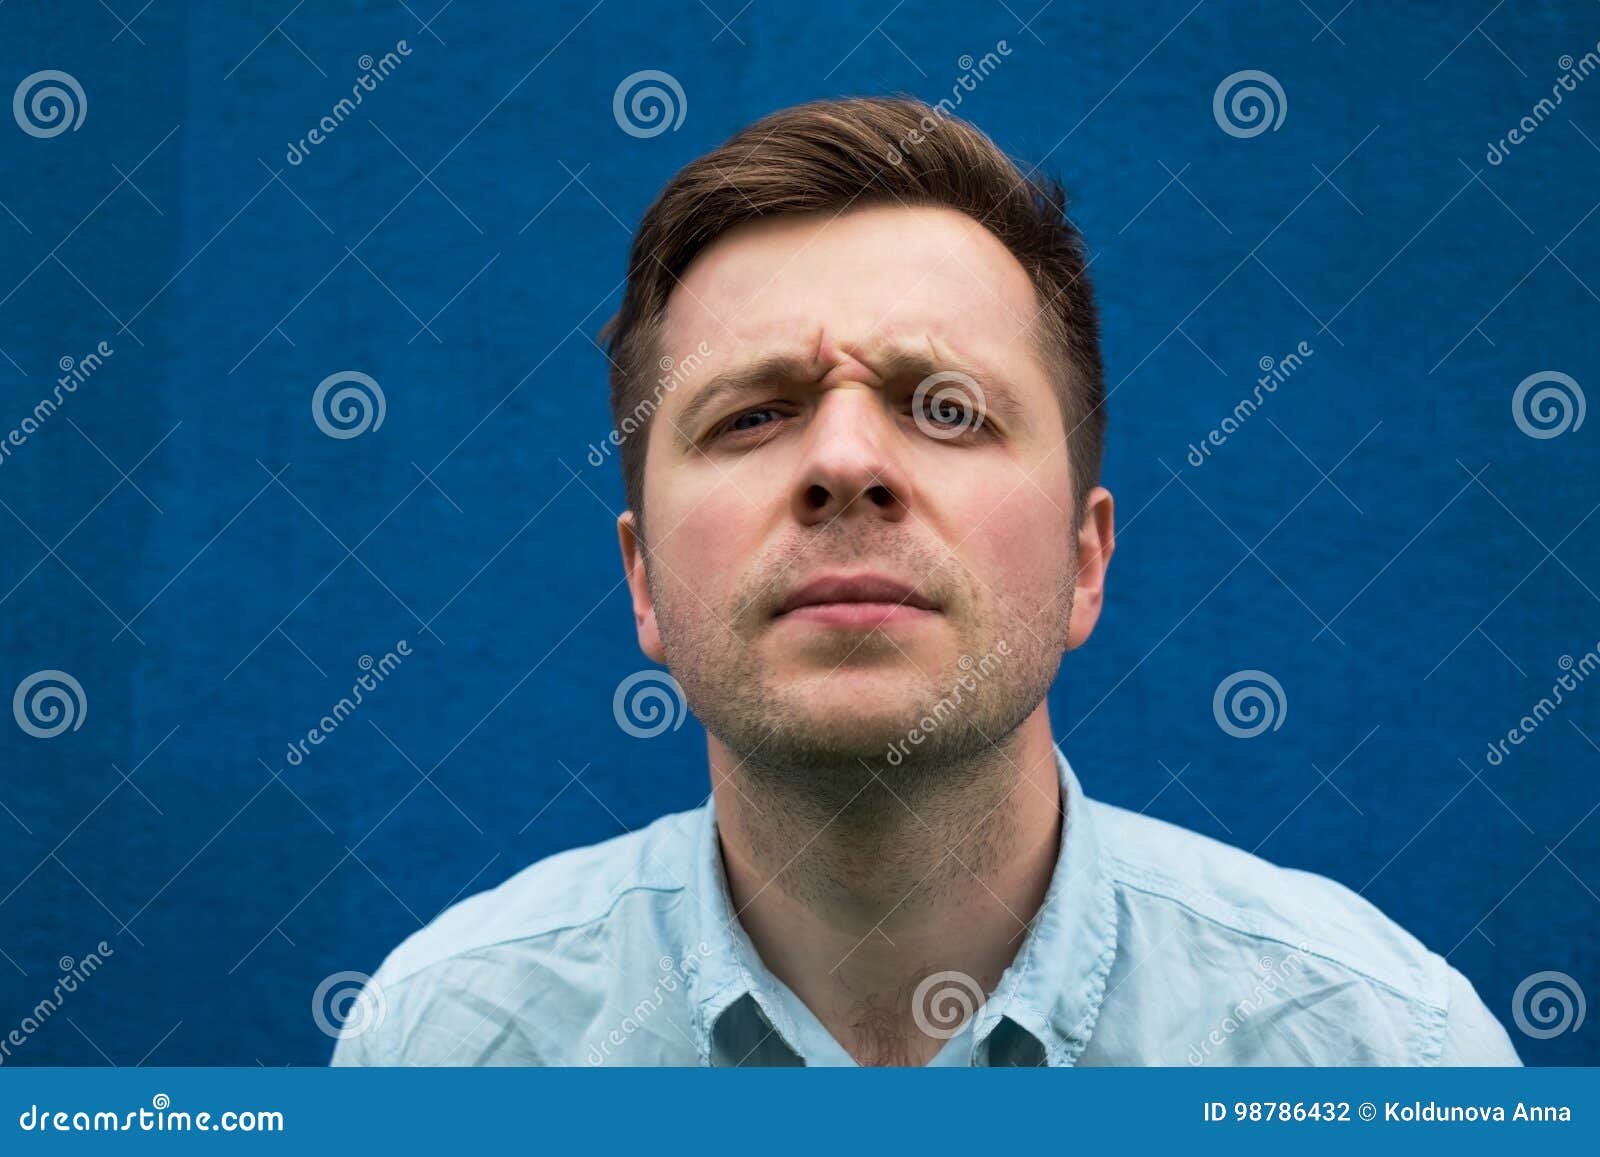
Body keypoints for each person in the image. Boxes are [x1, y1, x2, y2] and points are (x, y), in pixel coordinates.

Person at [332, 97, 1520, 1067]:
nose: (845, 463)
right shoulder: (446, 1048)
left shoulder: (1378, 1053)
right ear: (642, 579)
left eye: (947, 409)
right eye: (753, 415)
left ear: (1082, 560)